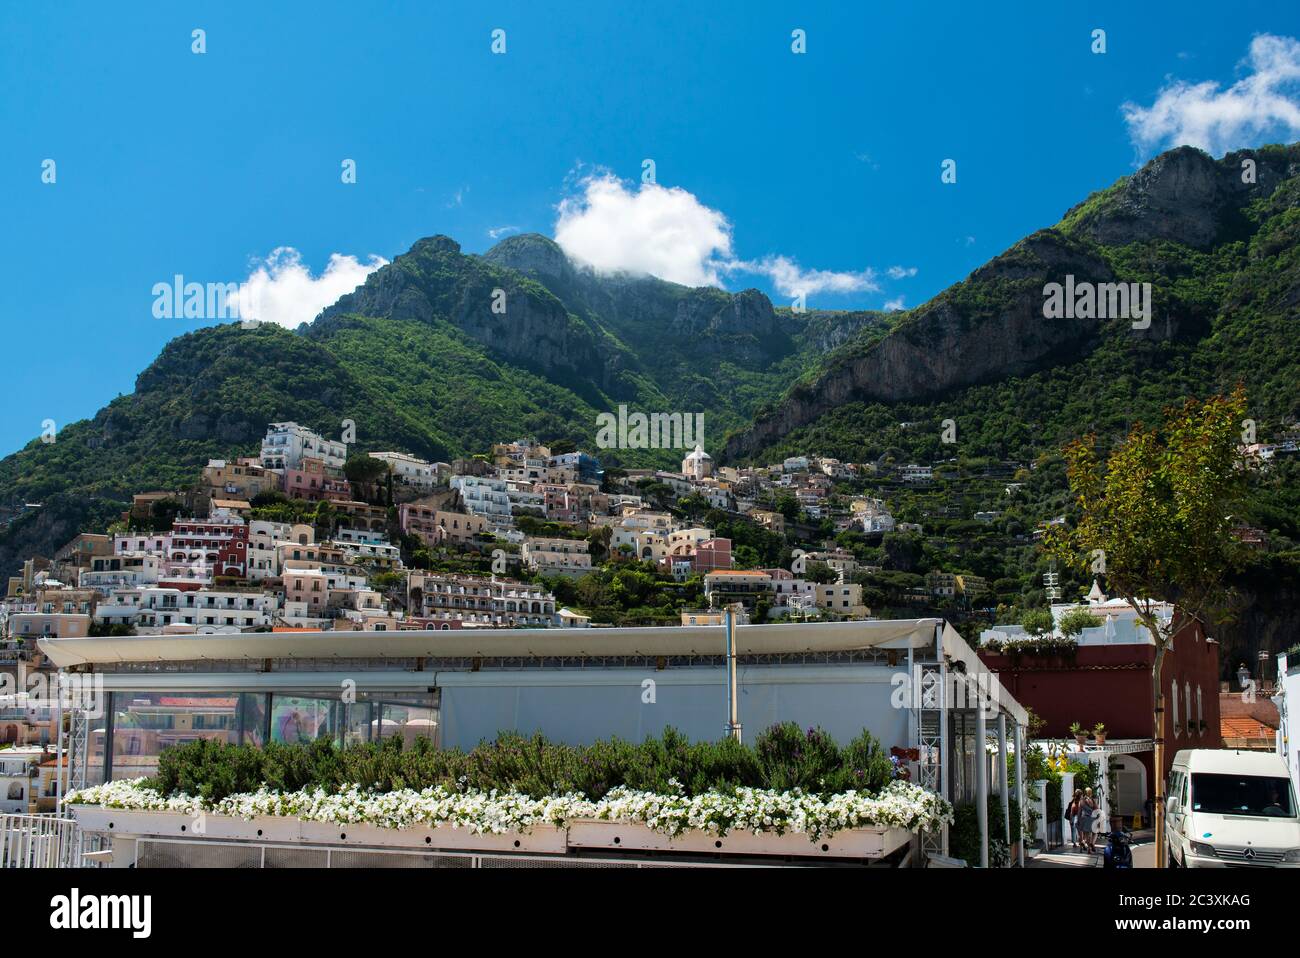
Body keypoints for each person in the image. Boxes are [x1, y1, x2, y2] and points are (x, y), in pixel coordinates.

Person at [1080, 787, 1098, 853]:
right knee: (1095, 832)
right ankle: (1092, 844)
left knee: (1087, 834)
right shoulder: (1092, 800)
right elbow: (1096, 809)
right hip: (1091, 818)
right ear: (1091, 792)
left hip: (1084, 818)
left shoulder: (1082, 800)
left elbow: (1080, 810)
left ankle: (1084, 843)